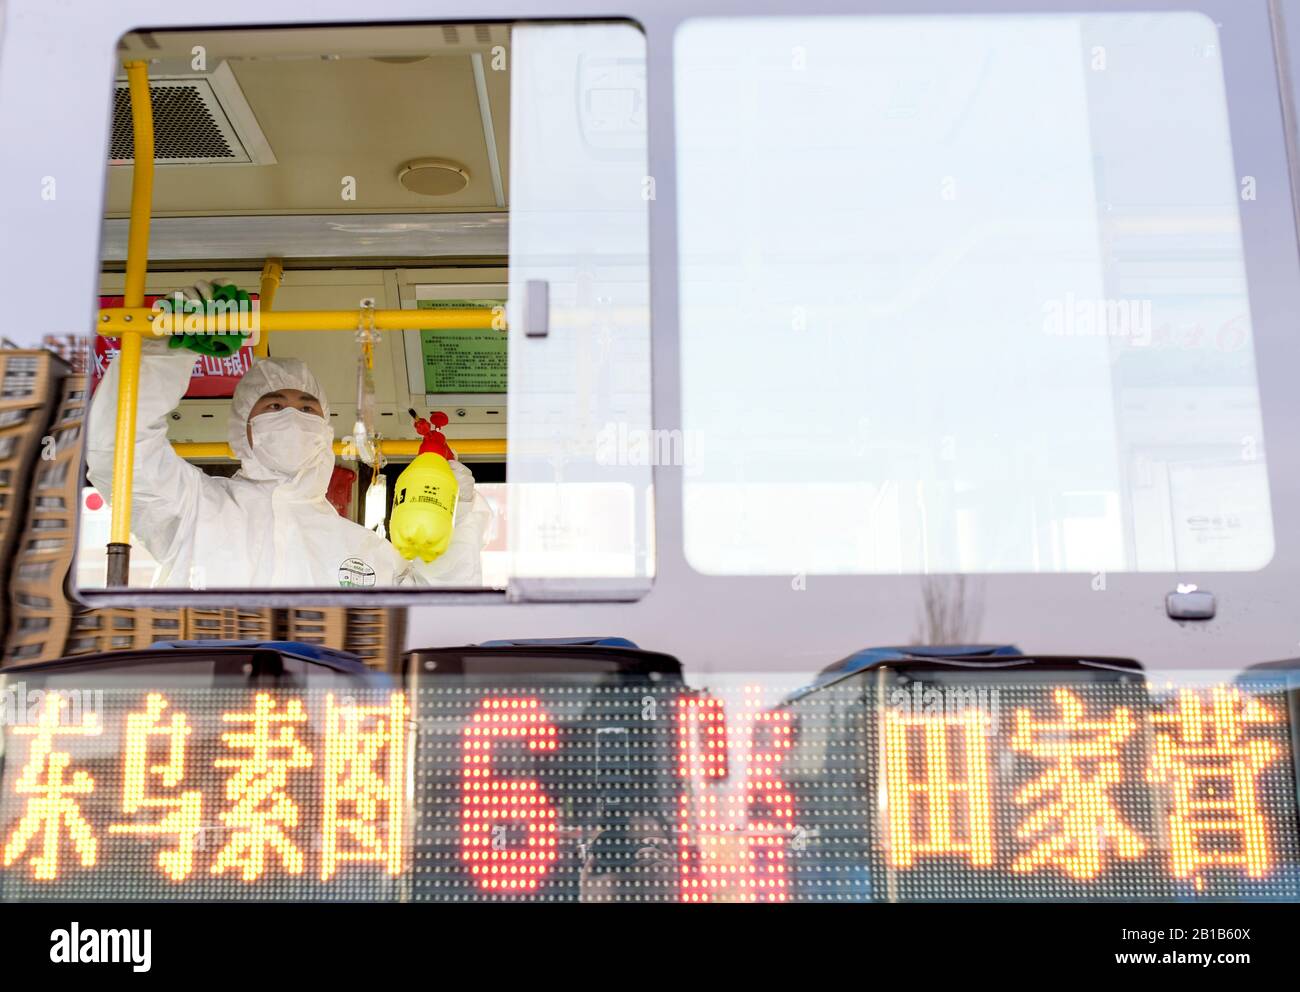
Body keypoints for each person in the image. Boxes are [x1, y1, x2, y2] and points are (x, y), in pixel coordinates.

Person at [86, 280, 491, 588]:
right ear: (243, 426)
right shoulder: (194, 507)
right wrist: (171, 344)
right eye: (275, 405)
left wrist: (459, 517)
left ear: (325, 429)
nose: (294, 416)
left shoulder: (364, 551)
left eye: (307, 407)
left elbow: (436, 611)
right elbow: (117, 450)